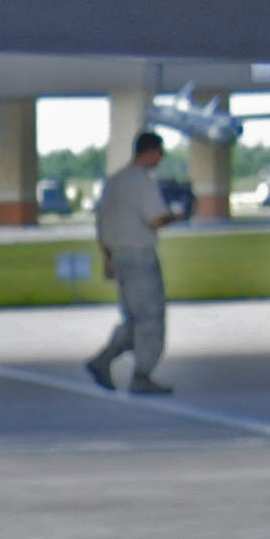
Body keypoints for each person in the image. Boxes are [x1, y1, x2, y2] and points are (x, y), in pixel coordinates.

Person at [88, 131, 176, 396]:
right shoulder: (142, 182)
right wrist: (178, 215)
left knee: (133, 318)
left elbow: (101, 223)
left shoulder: (114, 182)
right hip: (140, 256)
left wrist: (107, 259)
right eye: (159, 153)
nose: (160, 159)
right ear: (150, 151)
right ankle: (142, 374)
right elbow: (155, 219)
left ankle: (103, 360)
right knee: (150, 318)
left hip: (119, 256)